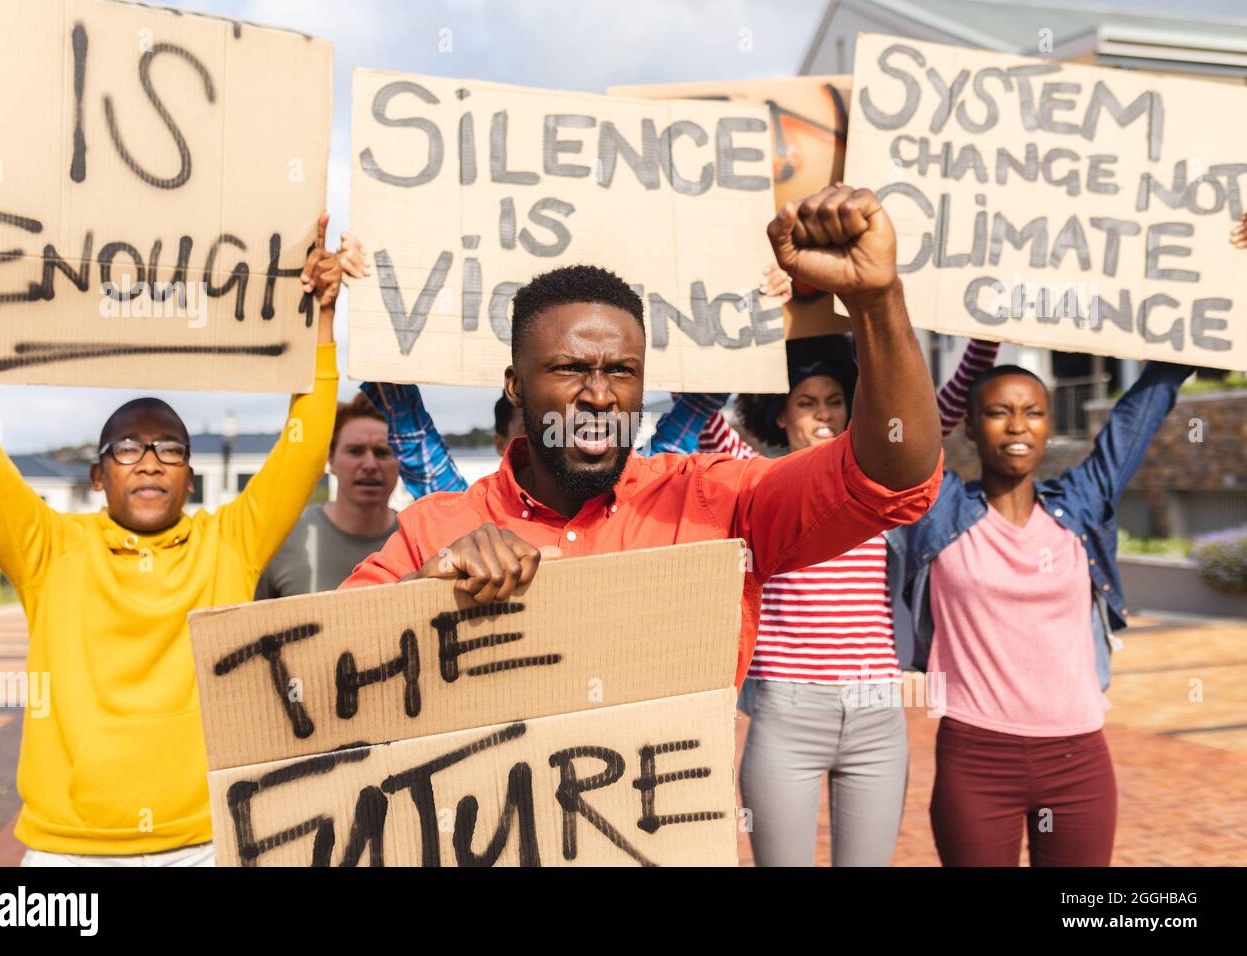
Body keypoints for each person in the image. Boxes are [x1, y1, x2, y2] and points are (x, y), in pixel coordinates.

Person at [342, 186, 946, 689]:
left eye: (621, 372)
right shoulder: (435, 532)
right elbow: (329, 678)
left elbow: (891, 479)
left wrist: (875, 303)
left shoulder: (720, 505)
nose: (600, 395)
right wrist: (424, 598)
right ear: (515, 387)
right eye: (569, 368)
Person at [0, 215, 364, 866]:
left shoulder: (230, 542)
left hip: (205, 844)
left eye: (168, 448)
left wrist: (321, 324)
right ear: (97, 476)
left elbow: (305, 449)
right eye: (127, 448)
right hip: (68, 854)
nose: (148, 460)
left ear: (190, 479)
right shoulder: (49, 550)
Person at [698, 333, 997, 867]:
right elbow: (698, 408)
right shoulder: (757, 480)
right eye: (806, 403)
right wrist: (755, 318)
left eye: (836, 401)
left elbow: (936, 410)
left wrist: (983, 339)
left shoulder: (879, 484)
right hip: (786, 713)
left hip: (877, 712)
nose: (824, 415)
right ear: (781, 416)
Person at [904, 358, 1195, 866]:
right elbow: (896, 425)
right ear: (970, 427)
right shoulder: (940, 507)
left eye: (1032, 412)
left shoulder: (1081, 504)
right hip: (976, 758)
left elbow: (1135, 417)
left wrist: (1180, 356)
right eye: (998, 412)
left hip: (1077, 760)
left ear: (1048, 425)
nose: (1018, 425)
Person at [360, 264, 794, 500]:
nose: (597, 400)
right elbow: (413, 437)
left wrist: (754, 305)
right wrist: (364, 294)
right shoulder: (465, 520)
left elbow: (699, 404)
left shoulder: (651, 494)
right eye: (533, 432)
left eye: (618, 372)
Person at [255, 391, 400, 599]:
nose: (370, 465)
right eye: (355, 451)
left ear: (400, 462)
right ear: (331, 460)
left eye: (382, 452)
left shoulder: (419, 540)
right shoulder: (283, 539)